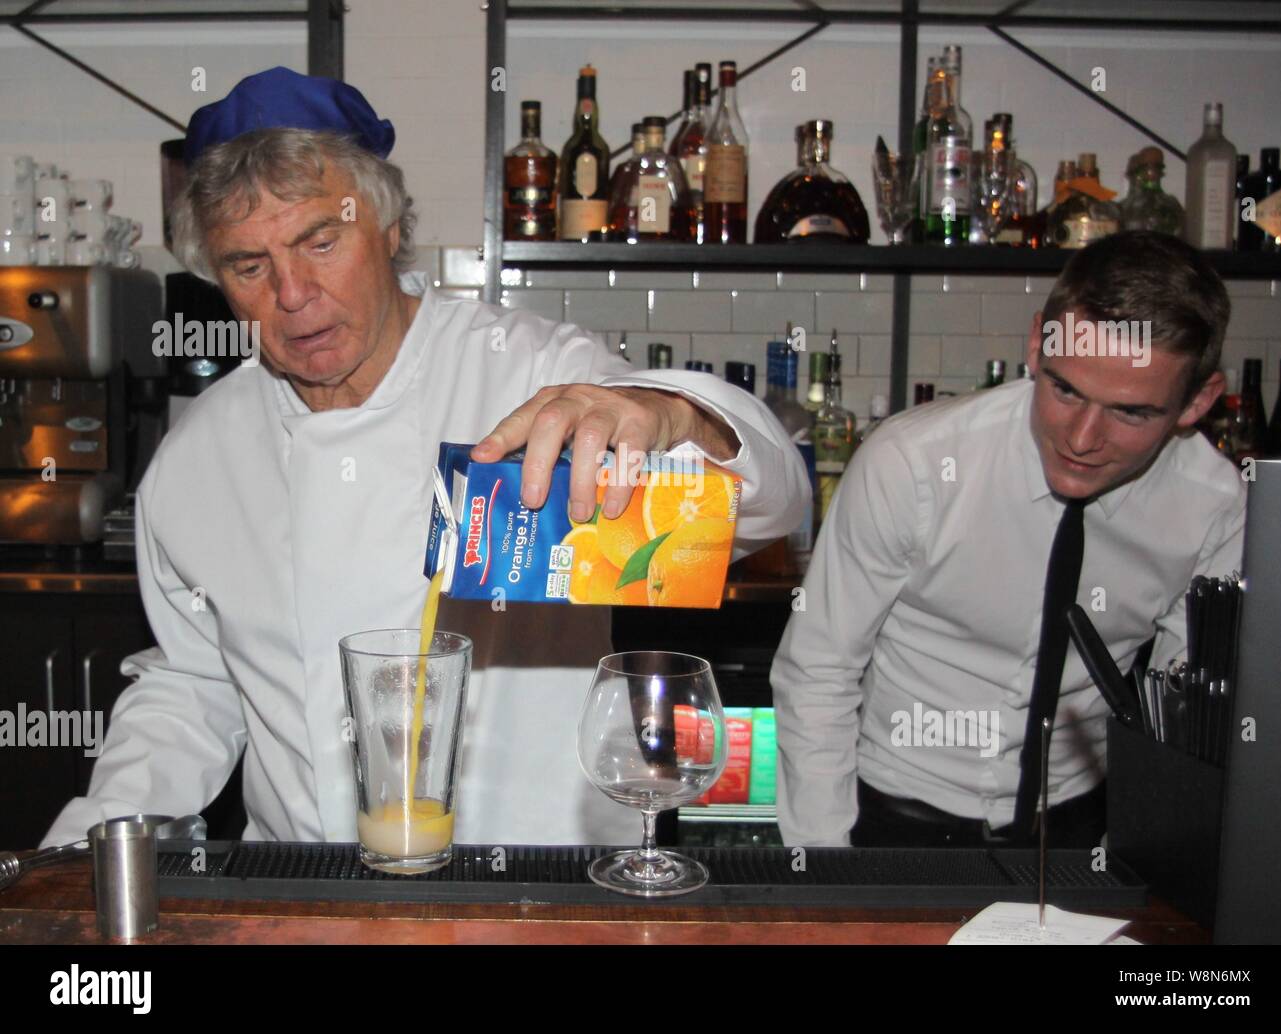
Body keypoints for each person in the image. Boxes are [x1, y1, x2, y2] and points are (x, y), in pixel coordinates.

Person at [40, 67, 809, 848]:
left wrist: (669, 412)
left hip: (538, 887)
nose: (293, 292)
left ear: (388, 227)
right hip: (310, 893)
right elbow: (194, 682)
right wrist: (91, 846)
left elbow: (770, 505)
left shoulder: (532, 373)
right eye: (249, 266)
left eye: (321, 241)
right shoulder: (198, 456)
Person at [772, 230, 1244, 849]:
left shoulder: (1216, 508)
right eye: (1065, 388)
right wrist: (828, 869)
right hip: (892, 822)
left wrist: (1144, 856)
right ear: (1035, 343)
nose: (1080, 437)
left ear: (1197, 403)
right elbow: (818, 669)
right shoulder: (914, 463)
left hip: (1083, 829)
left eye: (1130, 412)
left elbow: (1184, 717)